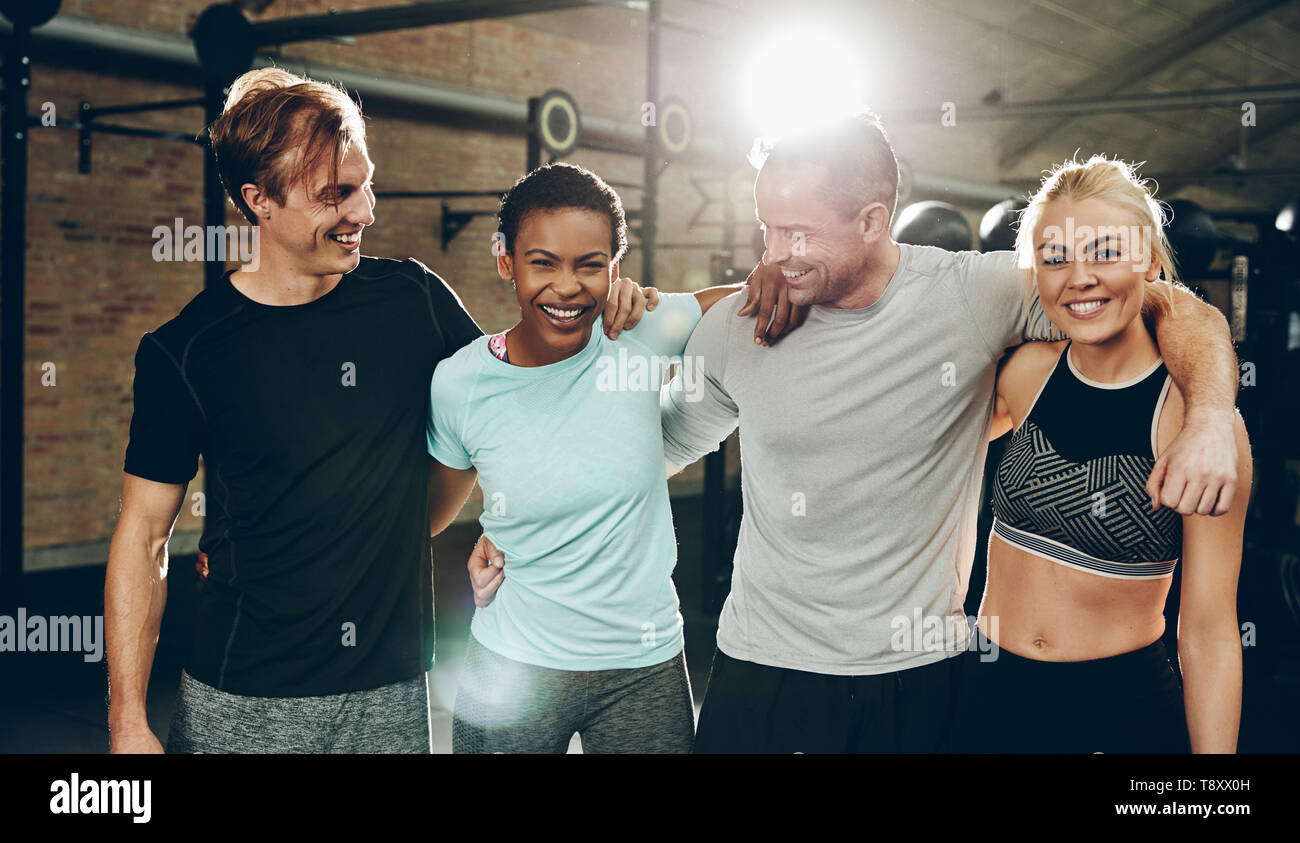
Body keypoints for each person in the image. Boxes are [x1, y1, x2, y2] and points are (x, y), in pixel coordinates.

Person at [653, 111, 1242, 754]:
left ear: (873, 220)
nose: (773, 252)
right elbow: (659, 451)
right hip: (794, 673)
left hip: (933, 679)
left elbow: (1167, 304)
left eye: (798, 232)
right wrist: (681, 308)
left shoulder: (971, 296)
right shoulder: (753, 322)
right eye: (768, 229)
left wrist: (1212, 414)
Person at [104, 68, 652, 754]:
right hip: (242, 701)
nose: (363, 210)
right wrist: (127, 719)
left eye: (365, 183)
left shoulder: (412, 299)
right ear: (259, 200)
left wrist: (617, 316)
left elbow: (511, 398)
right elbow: (144, 537)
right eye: (335, 193)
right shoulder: (184, 350)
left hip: (390, 693)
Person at [427, 162, 799, 753]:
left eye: (590, 265)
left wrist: (774, 273)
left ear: (614, 270)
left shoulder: (641, 329)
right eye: (542, 262)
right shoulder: (459, 383)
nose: (567, 286)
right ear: (506, 263)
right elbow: (428, 518)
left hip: (642, 665)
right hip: (511, 664)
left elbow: (741, 305)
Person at [949, 156, 1249, 753]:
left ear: (1149, 261)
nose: (1078, 278)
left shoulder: (1196, 423)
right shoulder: (1025, 374)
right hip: (986, 695)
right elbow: (924, 451)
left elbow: (1211, 631)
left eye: (1105, 252)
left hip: (1120, 710)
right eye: (1055, 259)